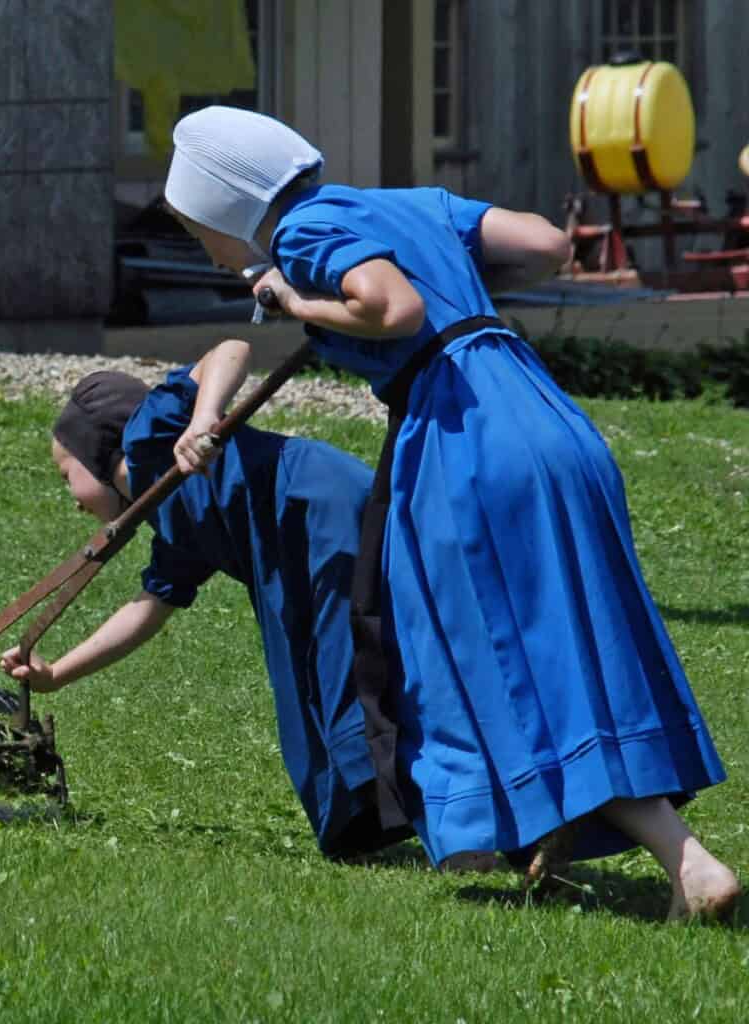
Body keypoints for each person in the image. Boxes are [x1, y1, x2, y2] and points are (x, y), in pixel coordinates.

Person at [159, 105, 742, 920]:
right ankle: (547, 830)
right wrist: (447, 281)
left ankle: (688, 864)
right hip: (543, 414)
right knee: (562, 641)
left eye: (199, 234)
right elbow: (547, 244)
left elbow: (391, 309)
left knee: (483, 656)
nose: (208, 252)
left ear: (225, 207)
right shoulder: (407, 206)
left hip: (466, 440)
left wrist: (297, 299)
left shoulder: (300, 232)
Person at [0, 341, 414, 861]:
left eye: (67, 477)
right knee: (301, 686)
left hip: (321, 512)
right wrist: (57, 673)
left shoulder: (151, 434)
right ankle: (362, 821)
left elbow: (232, 349)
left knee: (342, 666)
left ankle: (413, 794)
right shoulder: (171, 521)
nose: (73, 500)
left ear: (93, 448)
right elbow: (147, 608)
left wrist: (201, 419)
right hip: (287, 561)